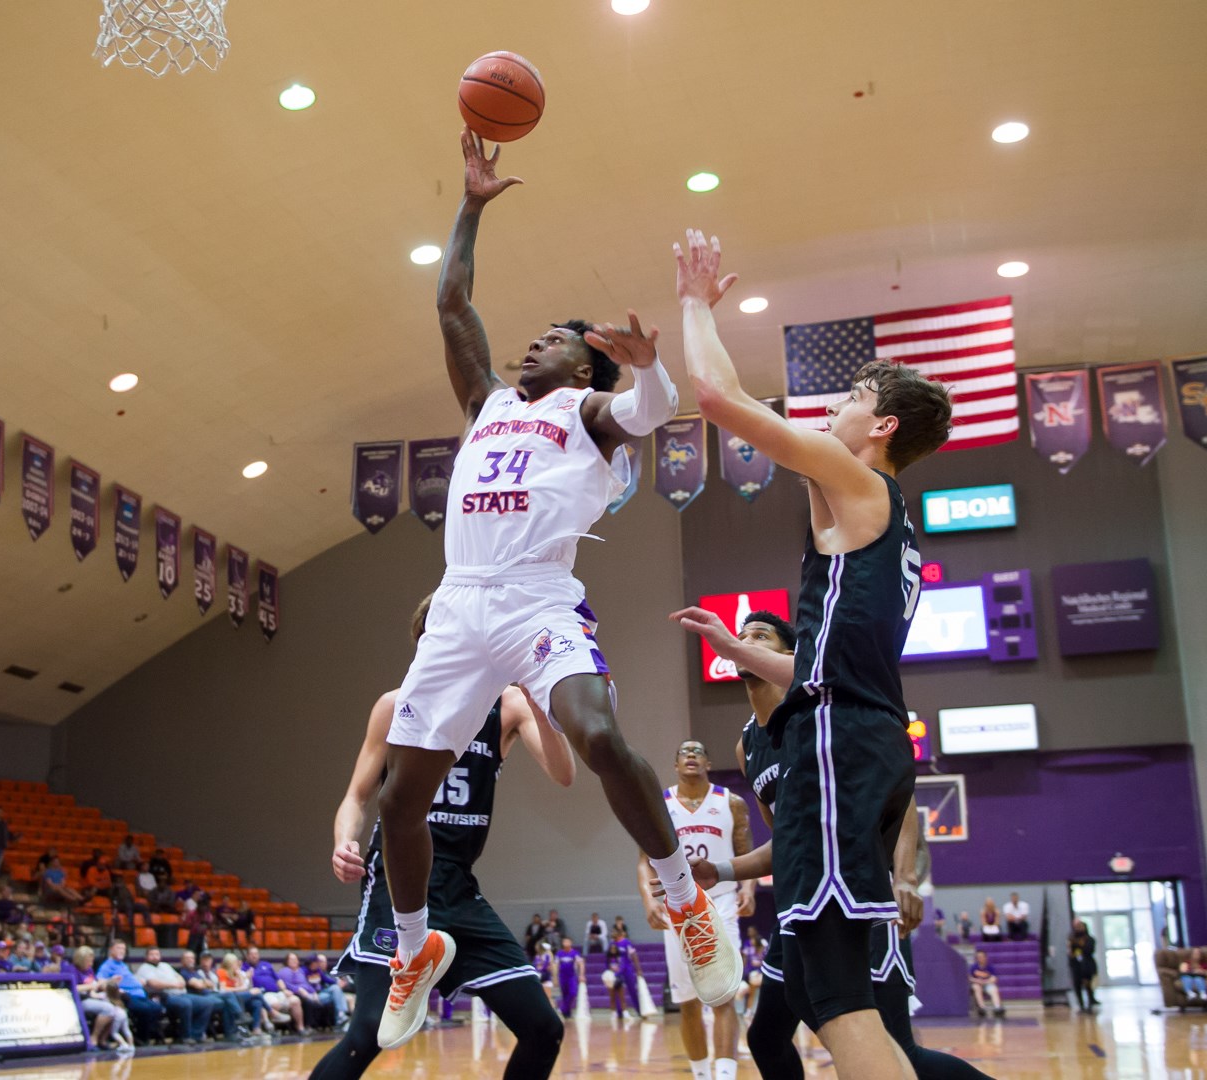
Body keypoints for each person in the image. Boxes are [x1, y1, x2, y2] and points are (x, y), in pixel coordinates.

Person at [371, 130, 730, 1051]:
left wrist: (646, 365)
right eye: (534, 338)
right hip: (459, 603)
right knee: (399, 800)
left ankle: (685, 902)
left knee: (598, 734)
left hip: (538, 599)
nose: (534, 344)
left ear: (582, 367)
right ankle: (414, 950)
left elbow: (652, 411)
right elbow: (452, 303)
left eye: (556, 341)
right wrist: (470, 205)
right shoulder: (490, 404)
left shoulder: (587, 412)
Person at [668, 230, 955, 1080]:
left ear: (884, 426)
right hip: (864, 740)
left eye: (855, 395)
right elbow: (822, 666)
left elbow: (716, 398)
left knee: (834, 1000)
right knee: (835, 995)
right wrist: (738, 649)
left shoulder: (862, 483)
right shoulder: (871, 515)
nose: (837, 403)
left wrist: (694, 305)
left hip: (839, 748)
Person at [687, 612, 989, 1080]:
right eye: (741, 635)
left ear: (791, 656)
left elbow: (898, 793)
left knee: (893, 1048)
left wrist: (906, 876)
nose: (745, 640)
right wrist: (722, 871)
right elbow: (787, 841)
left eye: (760, 636)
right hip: (802, 898)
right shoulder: (748, 746)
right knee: (768, 1036)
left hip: (856, 890)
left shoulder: (820, 712)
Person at [316, 595, 576, 1079]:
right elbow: (355, 797)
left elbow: (564, 774)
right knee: (367, 1032)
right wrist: (343, 841)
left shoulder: (508, 705)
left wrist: (540, 701)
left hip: (458, 885)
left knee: (544, 1028)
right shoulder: (395, 705)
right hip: (396, 880)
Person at [638, 739, 755, 1080]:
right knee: (687, 1001)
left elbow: (745, 852)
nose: (691, 755)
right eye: (684, 753)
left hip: (722, 901)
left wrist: (749, 889)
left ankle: (725, 1075)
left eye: (698, 751)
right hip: (678, 905)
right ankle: (701, 1074)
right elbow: (644, 861)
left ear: (708, 763)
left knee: (724, 993)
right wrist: (648, 899)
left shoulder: (731, 802)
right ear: (676, 765)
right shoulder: (659, 804)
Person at [98, 941, 168, 1042]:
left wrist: (138, 981)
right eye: (118, 948)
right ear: (111, 950)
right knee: (145, 1009)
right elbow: (101, 983)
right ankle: (142, 1037)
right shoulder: (107, 966)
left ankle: (153, 1035)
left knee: (157, 1008)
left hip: (140, 994)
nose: (122, 951)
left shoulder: (123, 965)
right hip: (127, 996)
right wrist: (112, 982)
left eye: (123, 949)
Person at [72, 945, 132, 1052]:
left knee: (116, 1009)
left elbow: (97, 985)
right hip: (80, 1000)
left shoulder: (89, 970)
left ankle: (103, 1039)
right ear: (81, 960)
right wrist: (91, 986)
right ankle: (94, 1038)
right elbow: (74, 988)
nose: (91, 964)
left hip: (93, 996)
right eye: (89, 961)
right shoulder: (72, 970)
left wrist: (110, 981)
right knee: (108, 1008)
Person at [218, 953, 272, 1042]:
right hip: (229, 996)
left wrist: (239, 975)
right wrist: (240, 989)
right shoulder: (222, 972)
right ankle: (272, 1012)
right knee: (256, 993)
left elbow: (243, 987)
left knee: (257, 1002)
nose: (237, 964)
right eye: (235, 962)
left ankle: (256, 1029)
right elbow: (223, 989)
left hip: (237, 996)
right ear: (230, 963)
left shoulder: (234, 974)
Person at [1067, 919, 1099, 1013]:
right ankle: (1081, 1006)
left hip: (1087, 965)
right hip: (1076, 966)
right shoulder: (1071, 939)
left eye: (1080, 926)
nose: (1078, 928)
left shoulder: (1090, 939)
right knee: (1077, 985)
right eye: (1076, 927)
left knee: (1088, 985)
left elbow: (1089, 950)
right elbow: (1070, 953)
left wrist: (1080, 947)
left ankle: (1090, 1004)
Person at [968, 952, 1003, 1017]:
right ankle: (982, 1007)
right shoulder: (973, 967)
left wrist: (985, 982)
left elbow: (994, 978)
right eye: (978, 957)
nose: (980, 958)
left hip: (987, 984)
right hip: (977, 984)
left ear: (985, 957)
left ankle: (997, 1007)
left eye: (981, 957)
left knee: (994, 989)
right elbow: (969, 978)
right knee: (976, 987)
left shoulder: (990, 967)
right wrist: (977, 981)